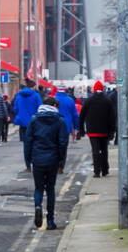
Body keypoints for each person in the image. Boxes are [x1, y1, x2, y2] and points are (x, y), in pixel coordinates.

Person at [25, 94, 69, 230]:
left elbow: (28, 141)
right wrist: (61, 161)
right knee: (50, 189)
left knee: (38, 188)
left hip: (37, 158)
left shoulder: (34, 120)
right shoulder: (60, 121)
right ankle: (50, 221)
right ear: (54, 106)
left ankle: (38, 206)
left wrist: (28, 160)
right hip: (53, 159)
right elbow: (63, 142)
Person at [79, 80, 117, 177]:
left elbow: (82, 115)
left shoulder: (89, 100)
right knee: (104, 150)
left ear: (94, 89)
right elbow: (112, 117)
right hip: (104, 131)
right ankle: (105, 169)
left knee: (95, 151)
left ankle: (97, 171)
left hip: (92, 131)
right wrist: (112, 131)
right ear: (102, 89)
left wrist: (81, 129)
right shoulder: (107, 101)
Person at [12, 80, 42, 168]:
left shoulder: (18, 95)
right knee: (35, 144)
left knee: (26, 145)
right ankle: (35, 162)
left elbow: (15, 109)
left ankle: (28, 166)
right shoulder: (36, 95)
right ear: (33, 87)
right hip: (35, 123)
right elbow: (40, 108)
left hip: (23, 124)